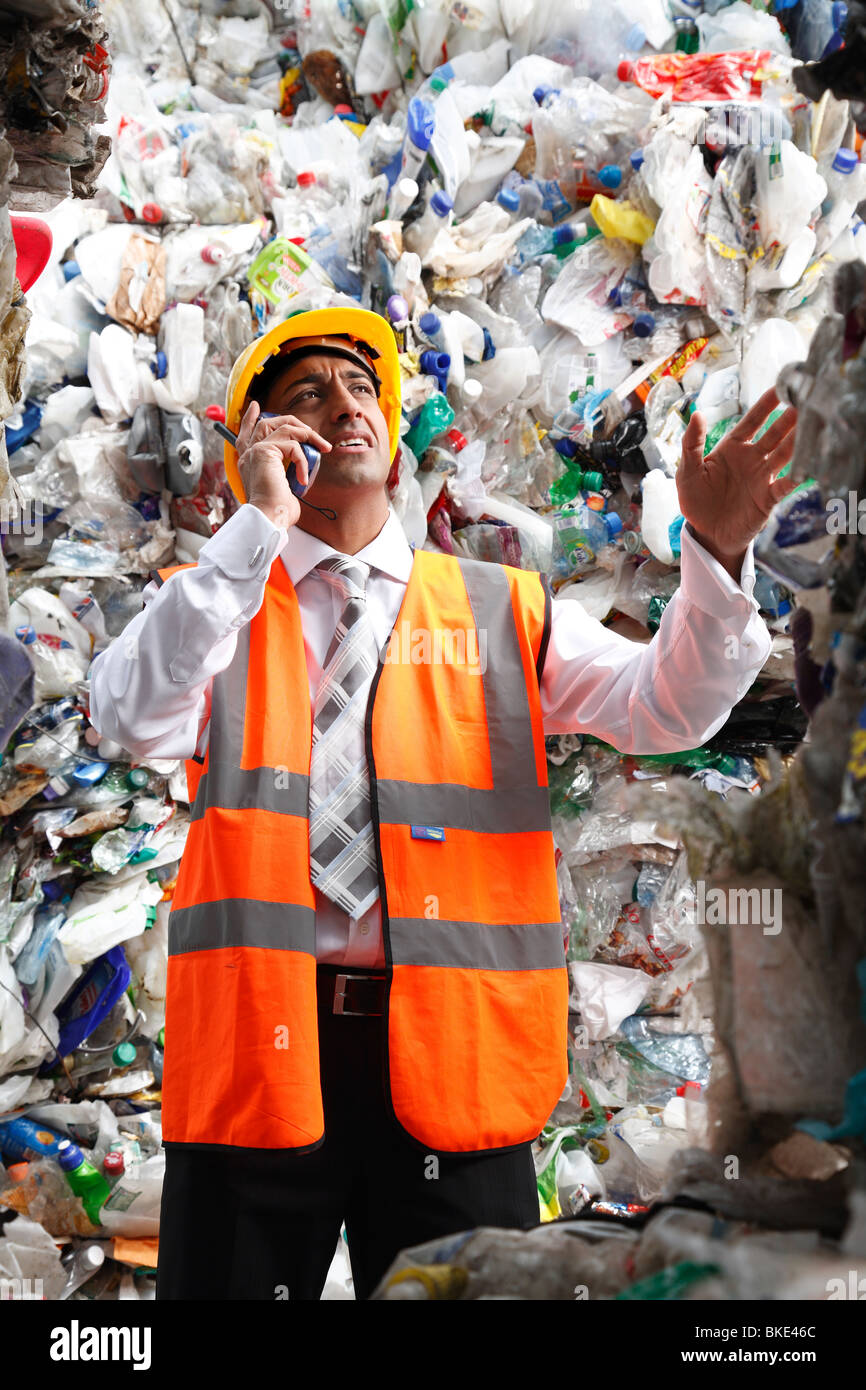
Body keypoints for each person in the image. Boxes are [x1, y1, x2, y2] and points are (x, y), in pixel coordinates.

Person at [88, 305, 796, 1301]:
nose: (345, 407)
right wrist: (253, 531)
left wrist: (715, 564)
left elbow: (666, 707)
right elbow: (127, 715)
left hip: (457, 1055)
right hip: (259, 1054)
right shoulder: (215, 605)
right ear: (254, 445)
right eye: (306, 396)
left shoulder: (497, 607)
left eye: (360, 388)